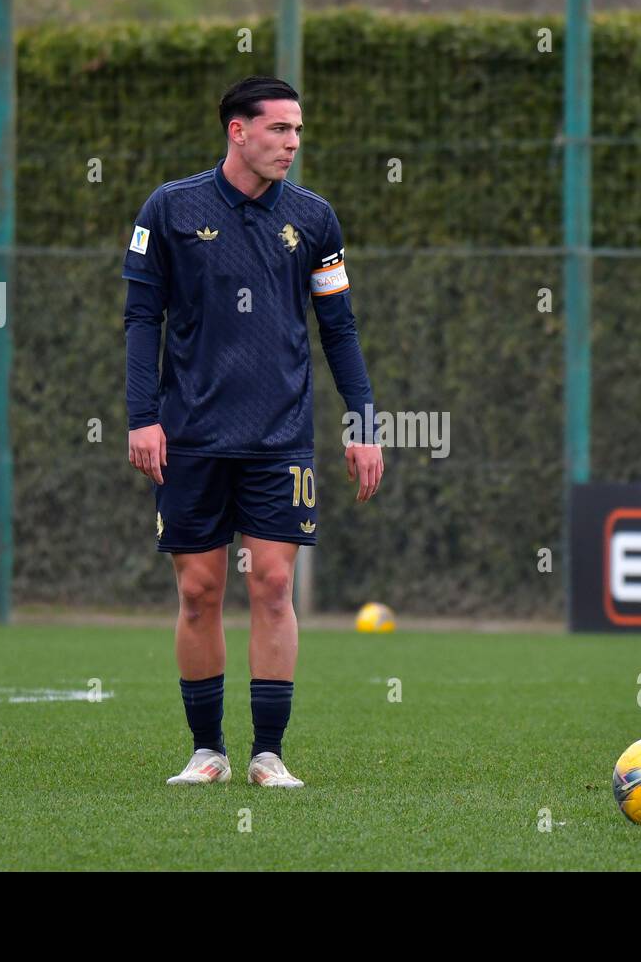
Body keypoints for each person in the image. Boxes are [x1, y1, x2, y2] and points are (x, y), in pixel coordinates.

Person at [121, 76, 383, 788]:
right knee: (201, 591)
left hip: (281, 438)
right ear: (237, 131)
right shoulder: (170, 210)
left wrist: (362, 421)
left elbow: (340, 327)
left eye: (297, 131)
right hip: (192, 436)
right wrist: (142, 416)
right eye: (279, 130)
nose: (292, 144)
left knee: (272, 586)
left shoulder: (315, 220)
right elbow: (143, 320)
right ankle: (208, 751)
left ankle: (269, 754)